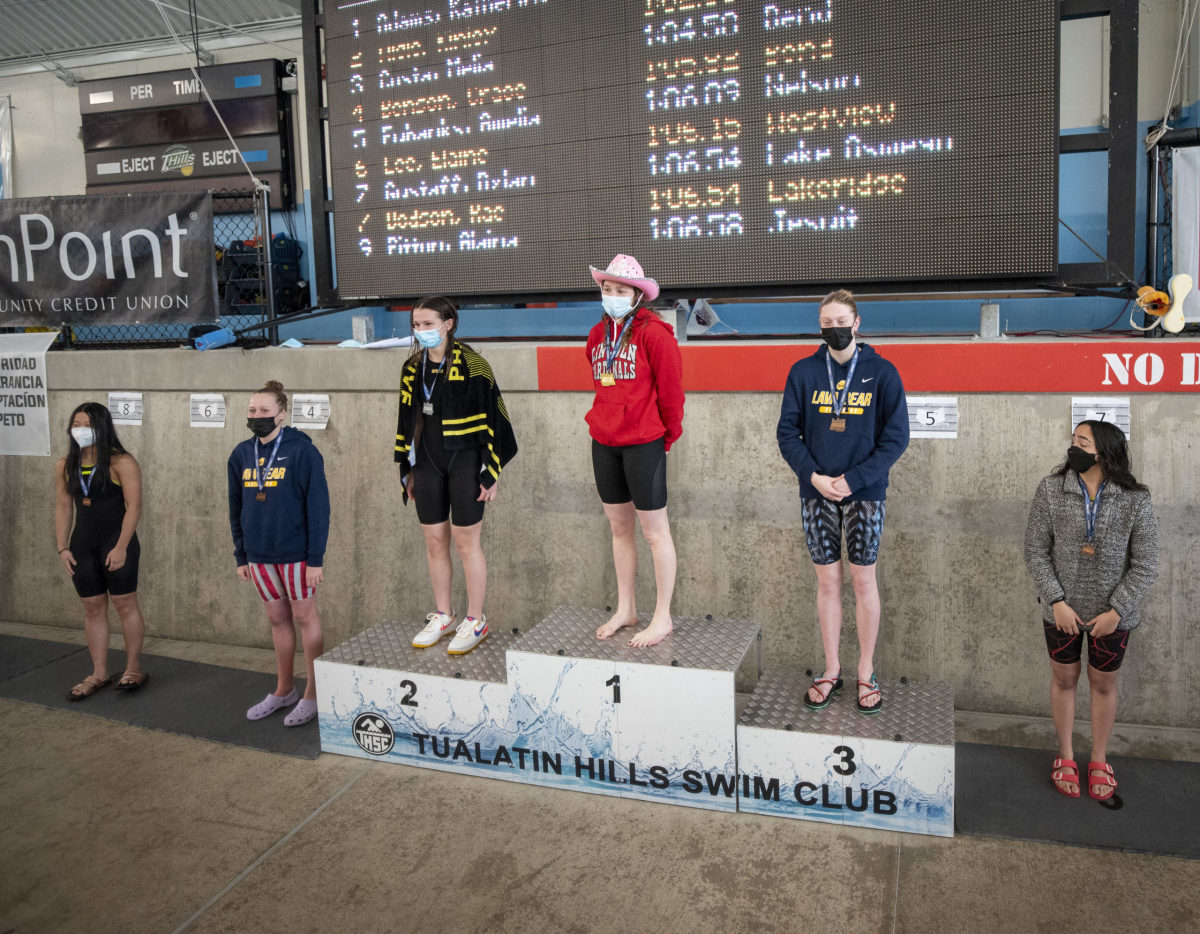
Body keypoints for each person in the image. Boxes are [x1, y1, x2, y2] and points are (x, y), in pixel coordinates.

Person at [777, 289, 909, 713]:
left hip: (864, 494)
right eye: (826, 324)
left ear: (857, 324)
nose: (834, 330)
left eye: (841, 322)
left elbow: (896, 439)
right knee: (828, 583)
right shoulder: (802, 372)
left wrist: (854, 480)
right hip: (815, 493)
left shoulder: (883, 373)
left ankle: (865, 671)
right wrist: (814, 476)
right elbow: (787, 434)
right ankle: (832, 668)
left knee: (863, 581)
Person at [1024, 420, 1157, 801]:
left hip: (1113, 619)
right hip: (1061, 614)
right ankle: (1065, 755)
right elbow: (1035, 551)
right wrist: (1056, 602)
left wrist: (1116, 610)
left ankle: (1098, 758)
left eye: (1082, 441)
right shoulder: (1051, 490)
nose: (1073, 446)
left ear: (1105, 451)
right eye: (1073, 440)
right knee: (1064, 679)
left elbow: (1146, 563)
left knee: (1103, 684)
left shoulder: (1136, 499)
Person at [395, 297, 518, 655]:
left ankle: (475, 619)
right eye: (416, 325)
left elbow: (496, 421)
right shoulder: (411, 368)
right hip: (428, 463)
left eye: (428, 324)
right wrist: (408, 468)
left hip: (465, 463)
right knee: (435, 542)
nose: (421, 332)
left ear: (448, 324)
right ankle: (444, 615)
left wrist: (490, 472)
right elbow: (406, 419)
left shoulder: (475, 365)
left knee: (466, 545)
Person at [585, 255, 684, 648]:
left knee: (654, 532)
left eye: (620, 291)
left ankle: (663, 616)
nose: (611, 296)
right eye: (607, 289)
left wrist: (666, 438)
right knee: (618, 527)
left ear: (637, 296)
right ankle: (626, 607)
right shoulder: (596, 336)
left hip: (644, 442)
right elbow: (600, 386)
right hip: (604, 442)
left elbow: (673, 394)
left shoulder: (656, 335)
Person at [228, 380, 330, 726]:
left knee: (305, 617)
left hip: (297, 554)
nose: (257, 416)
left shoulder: (303, 452)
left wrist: (316, 558)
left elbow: (319, 508)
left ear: (281, 415)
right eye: (252, 411)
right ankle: (284, 688)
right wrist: (241, 555)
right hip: (259, 556)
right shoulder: (241, 454)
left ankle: (313, 694)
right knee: (277, 619)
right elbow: (235, 506)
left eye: (264, 411)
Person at [55, 402, 148, 699]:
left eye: (87, 425)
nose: (80, 431)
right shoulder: (65, 465)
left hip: (115, 542)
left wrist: (121, 546)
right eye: (76, 425)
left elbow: (134, 507)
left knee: (124, 604)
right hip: (83, 545)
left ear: (102, 427)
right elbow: (62, 507)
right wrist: (62, 547)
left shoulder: (122, 463)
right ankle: (99, 672)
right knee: (92, 607)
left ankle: (133, 667)